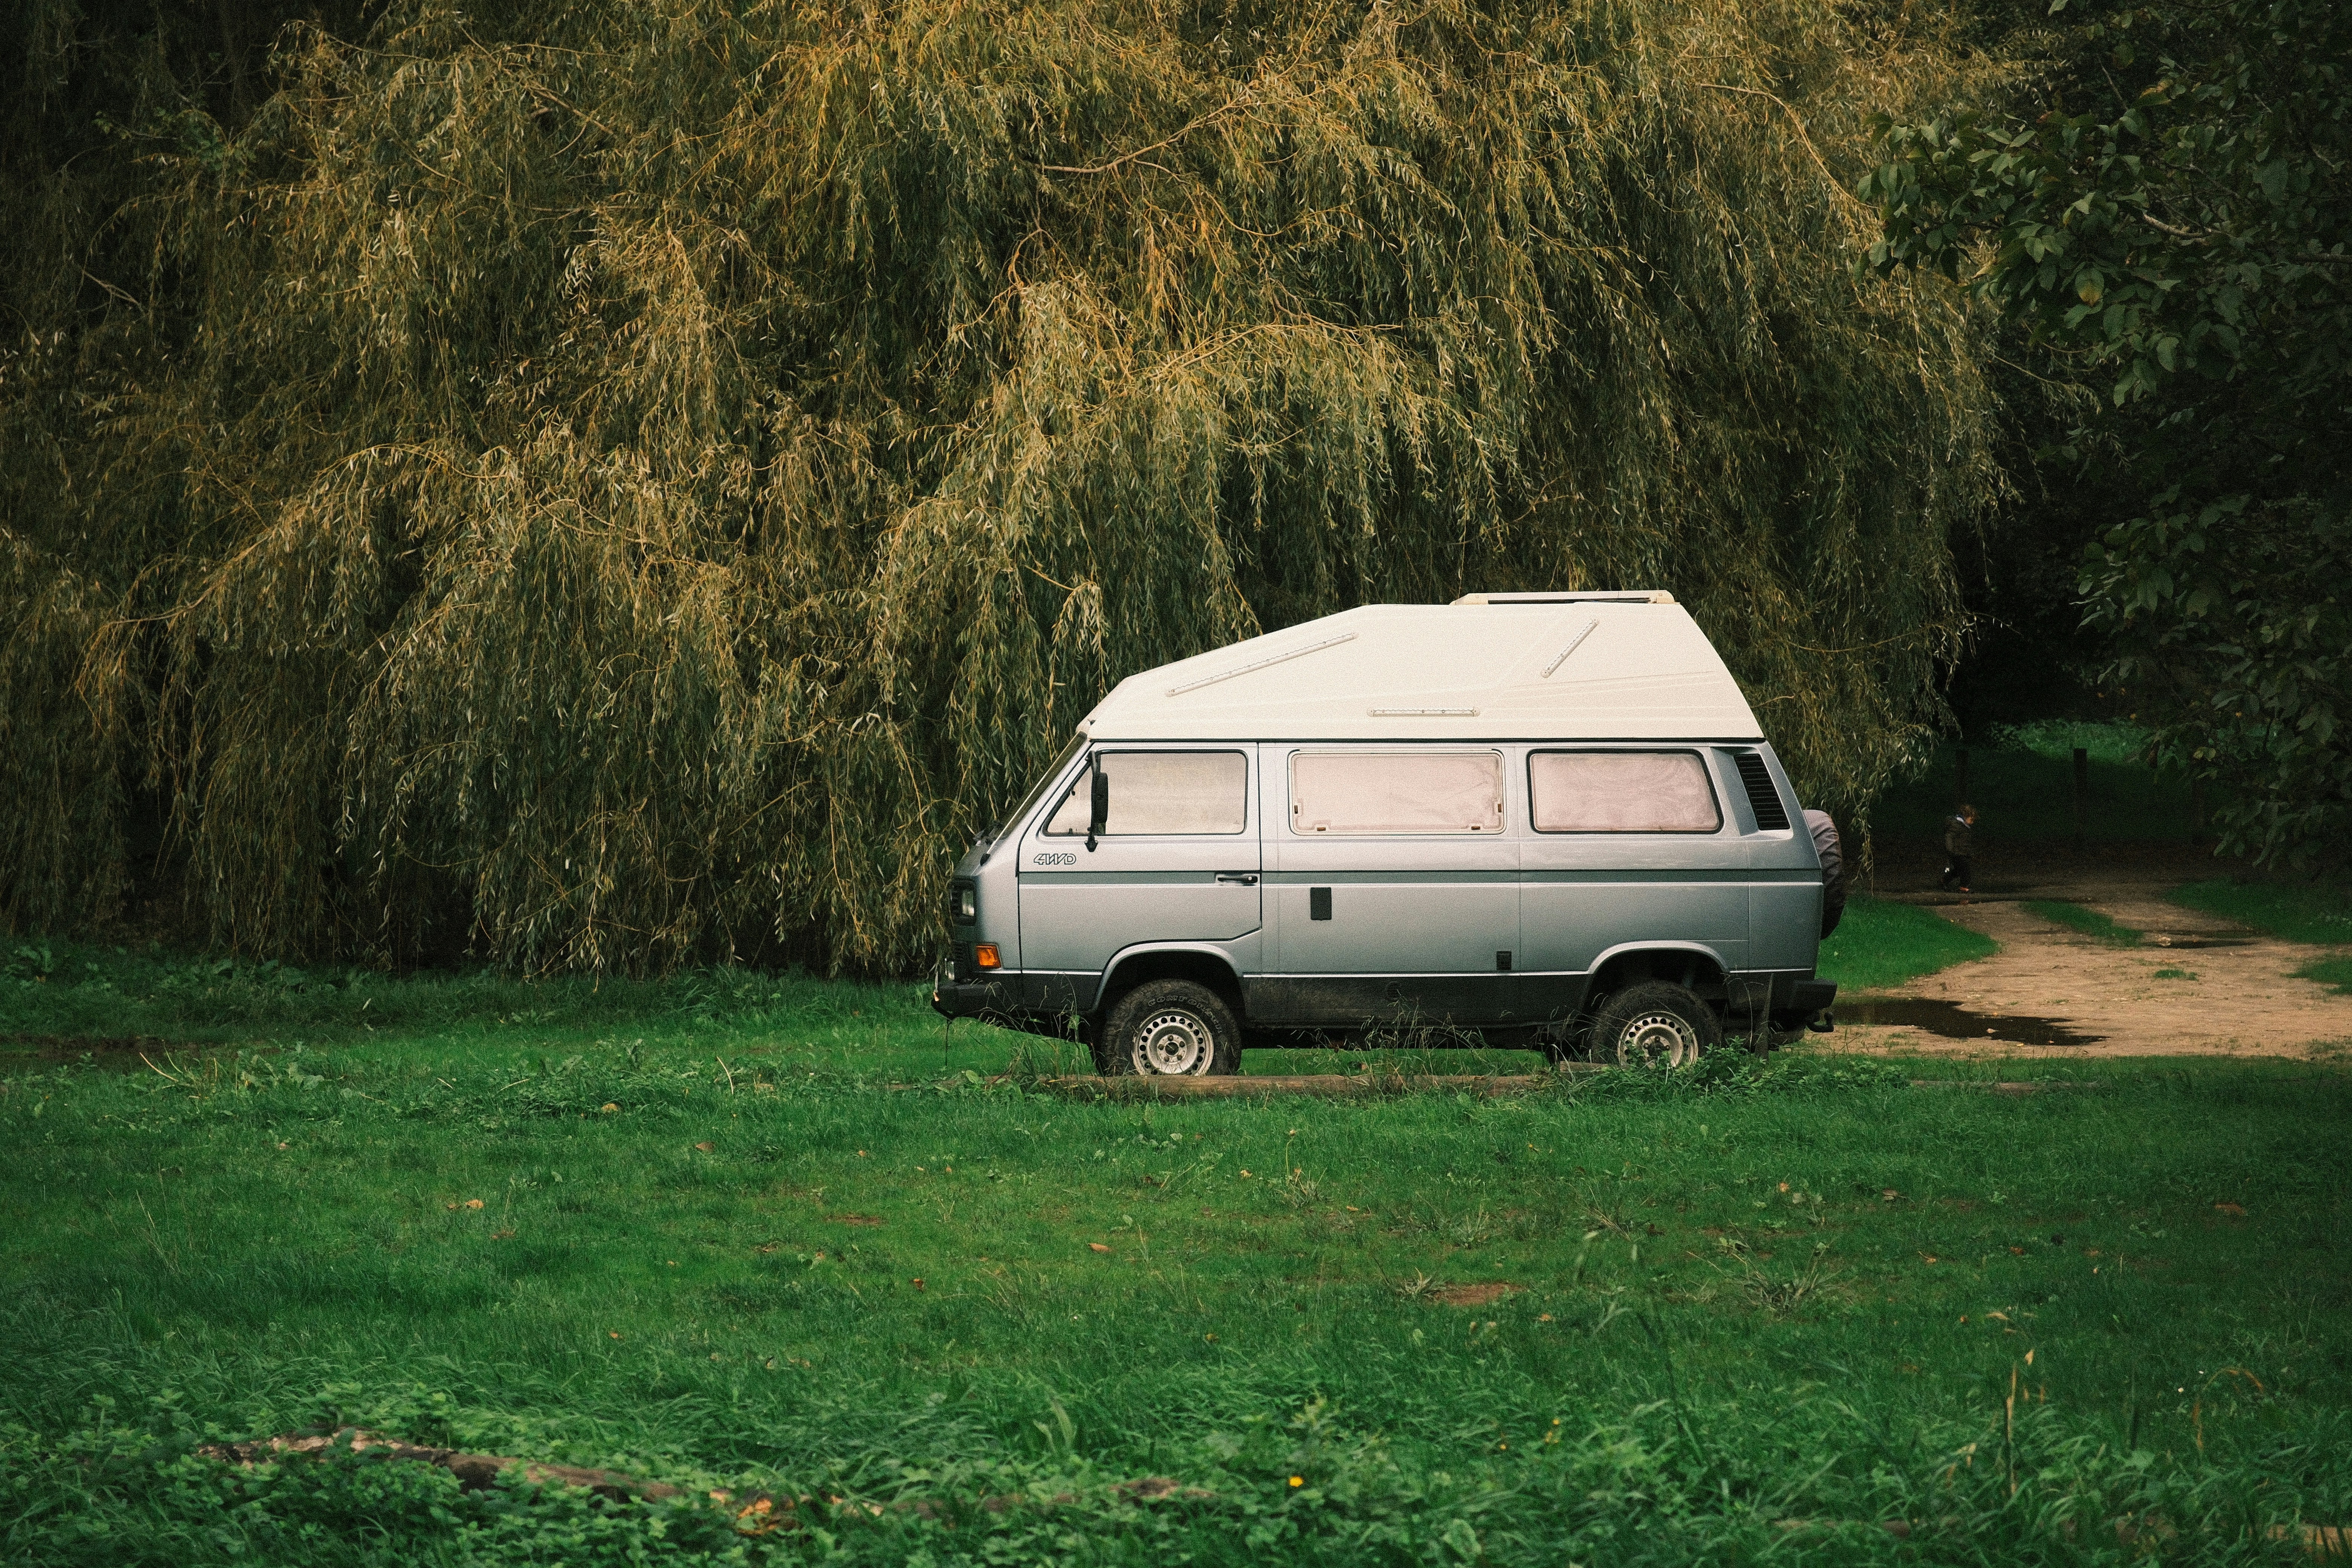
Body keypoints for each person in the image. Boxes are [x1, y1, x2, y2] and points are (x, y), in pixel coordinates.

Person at [1940, 804, 1977, 893]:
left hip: (1963, 852)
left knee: (1958, 870)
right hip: (1957, 852)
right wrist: (1950, 850)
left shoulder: (1964, 826)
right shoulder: (1956, 825)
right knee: (1966, 869)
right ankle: (1964, 887)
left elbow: (1965, 840)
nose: (1972, 822)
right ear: (1966, 817)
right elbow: (1949, 838)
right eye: (1971, 819)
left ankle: (1944, 881)